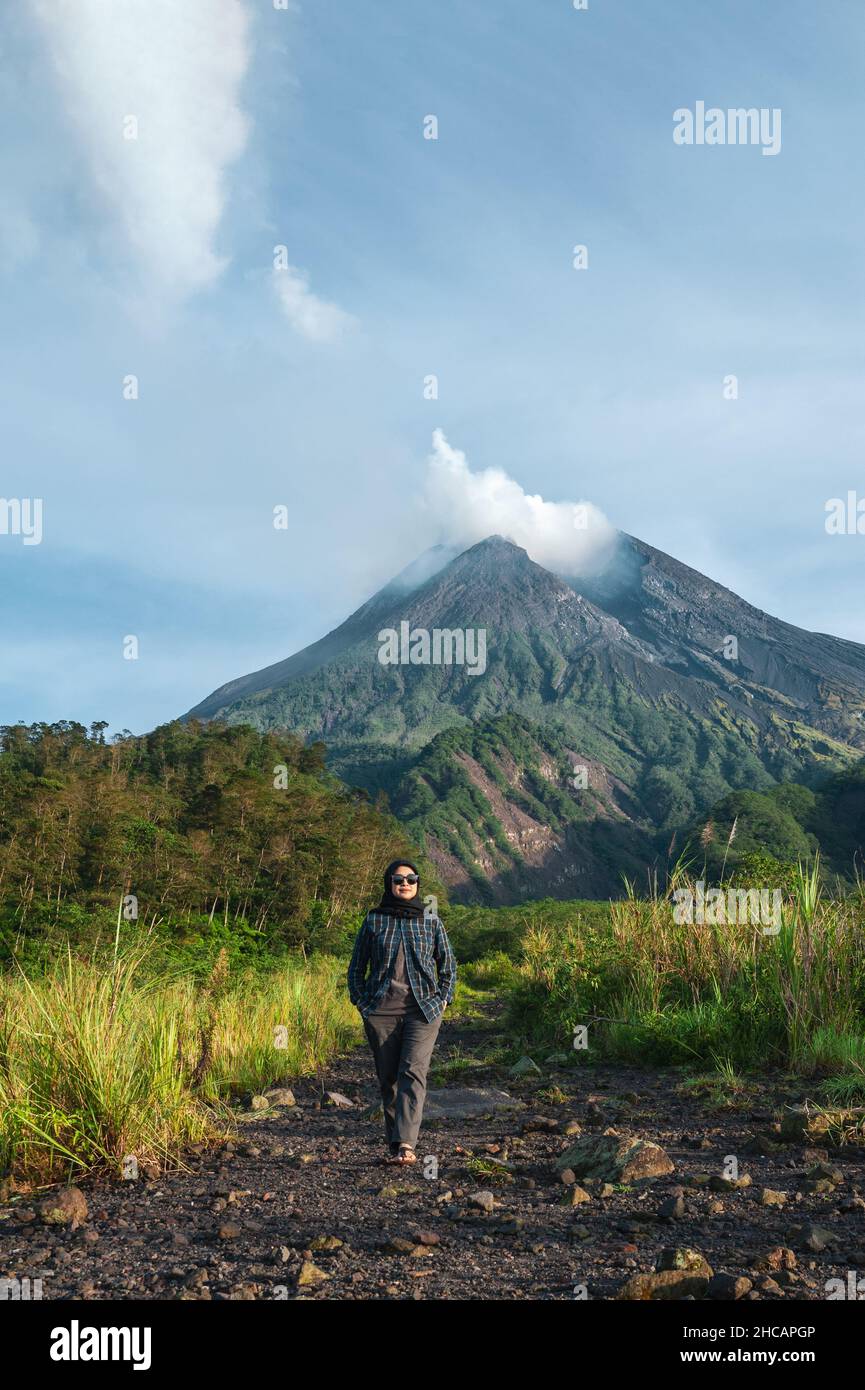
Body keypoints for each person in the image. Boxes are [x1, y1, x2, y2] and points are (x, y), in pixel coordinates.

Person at [347, 860, 457, 1165]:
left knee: (413, 1072)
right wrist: (362, 1003)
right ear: (389, 883)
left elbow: (448, 964)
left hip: (423, 1011)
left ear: (418, 884)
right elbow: (357, 967)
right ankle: (395, 1144)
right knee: (389, 1078)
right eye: (398, 879)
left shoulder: (430, 920)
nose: (405, 883)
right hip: (380, 1012)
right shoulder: (374, 920)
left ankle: (407, 1144)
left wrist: (444, 998)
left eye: (411, 879)